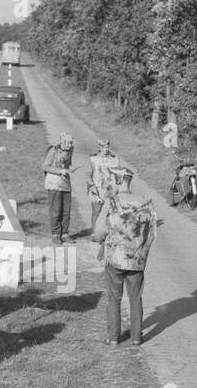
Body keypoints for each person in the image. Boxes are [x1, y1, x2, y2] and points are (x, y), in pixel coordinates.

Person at [91, 166, 156, 346]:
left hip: (115, 258)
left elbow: (99, 231)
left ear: (119, 181)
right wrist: (142, 251)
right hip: (137, 260)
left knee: (114, 298)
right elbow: (151, 233)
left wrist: (101, 242)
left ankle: (113, 337)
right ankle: (136, 337)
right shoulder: (145, 203)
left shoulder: (112, 202)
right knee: (136, 299)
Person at [42, 132, 75, 243]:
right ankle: (55, 235)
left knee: (66, 211)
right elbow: (45, 166)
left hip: (65, 183)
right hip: (54, 184)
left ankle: (65, 234)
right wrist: (60, 171)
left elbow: (68, 162)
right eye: (68, 143)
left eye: (71, 142)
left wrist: (71, 168)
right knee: (56, 211)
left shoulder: (71, 150)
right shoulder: (53, 151)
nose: (70, 145)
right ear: (62, 141)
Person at [87, 137, 119, 230]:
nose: (105, 149)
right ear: (99, 147)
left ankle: (107, 232)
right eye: (103, 147)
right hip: (97, 189)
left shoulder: (114, 159)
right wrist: (91, 186)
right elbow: (88, 174)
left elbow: (118, 175)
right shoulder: (93, 158)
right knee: (96, 212)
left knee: (110, 212)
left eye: (107, 147)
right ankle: (94, 232)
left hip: (110, 190)